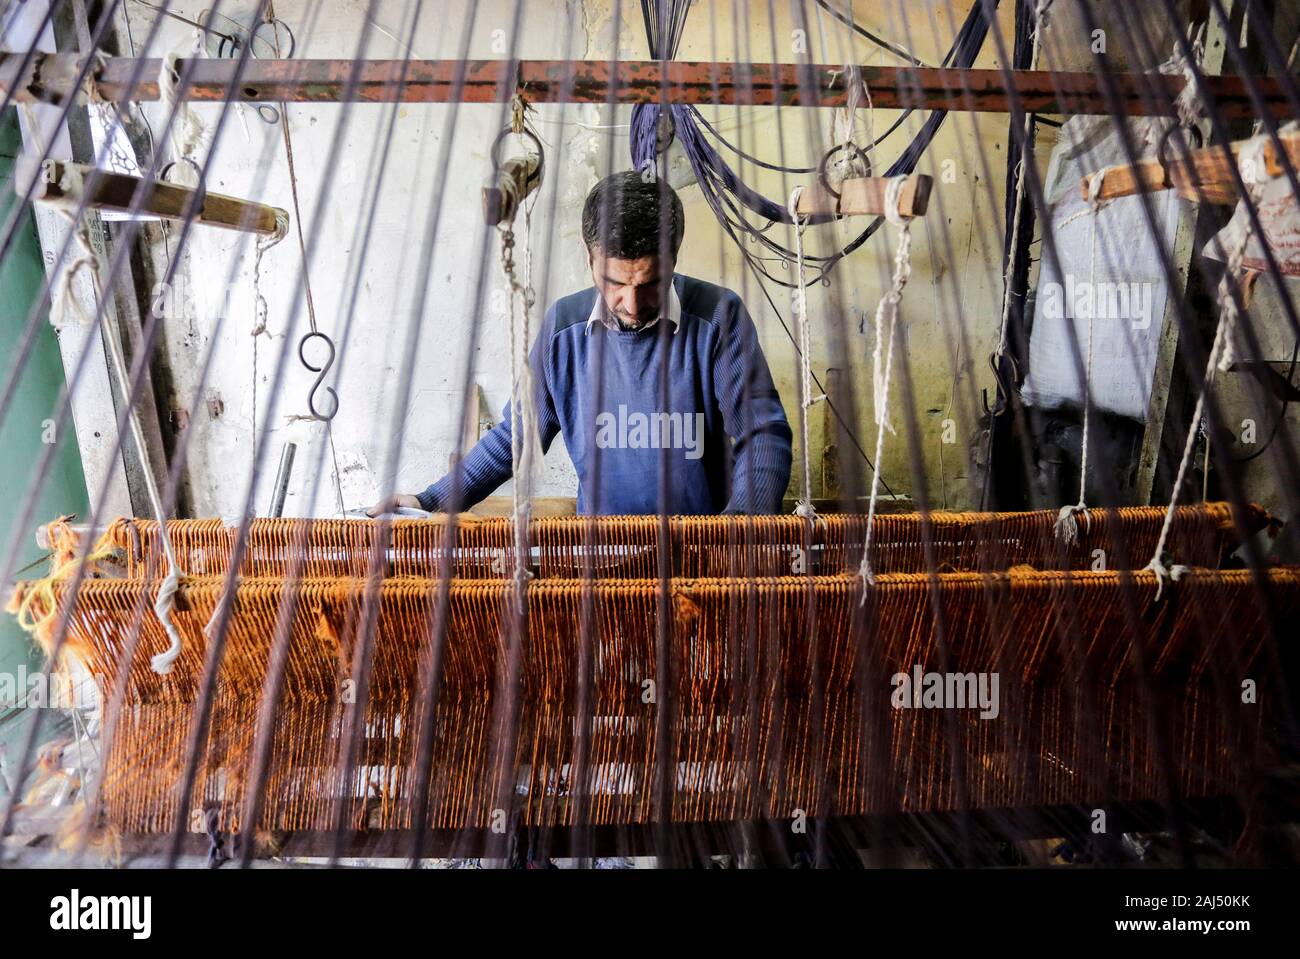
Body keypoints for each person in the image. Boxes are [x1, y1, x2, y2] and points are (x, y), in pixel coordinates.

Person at [369, 171, 792, 518]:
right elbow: (516, 438)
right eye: (614, 283)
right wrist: (429, 501)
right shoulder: (563, 329)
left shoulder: (719, 318)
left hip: (702, 565)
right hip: (601, 564)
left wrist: (738, 534)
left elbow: (764, 434)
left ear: (674, 258)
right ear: (588, 258)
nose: (631, 303)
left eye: (650, 284)